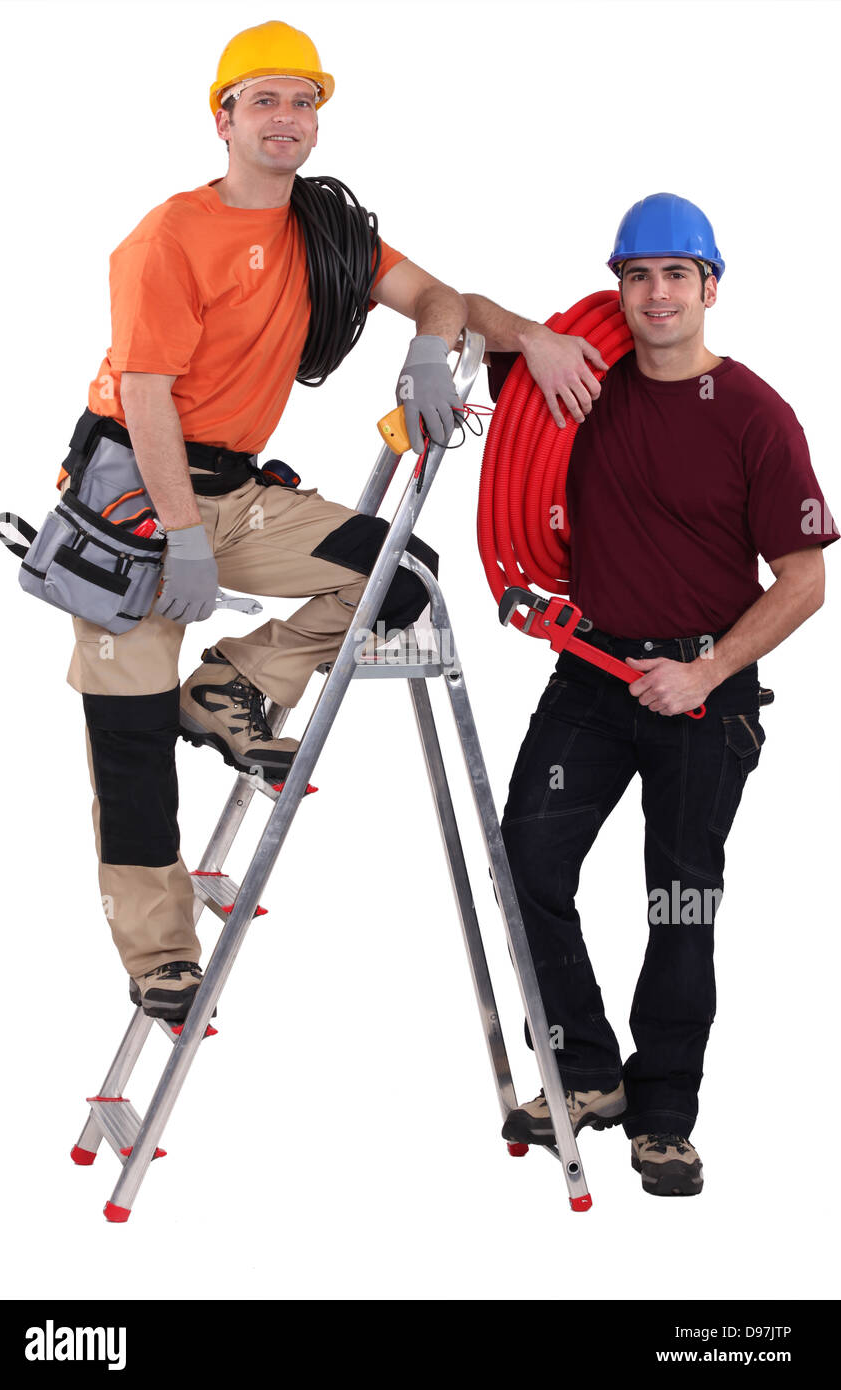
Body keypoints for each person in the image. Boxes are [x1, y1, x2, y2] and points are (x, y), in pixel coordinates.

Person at [59, 20, 600, 1025]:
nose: (287, 117)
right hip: (135, 497)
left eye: (302, 100)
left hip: (241, 492)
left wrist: (450, 349)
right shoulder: (168, 236)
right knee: (129, 751)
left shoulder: (324, 231)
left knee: (399, 574)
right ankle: (160, 955)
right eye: (264, 99)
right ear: (222, 119)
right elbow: (143, 396)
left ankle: (228, 690)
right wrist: (179, 533)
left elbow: (440, 295)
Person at [485, 193, 837, 1195]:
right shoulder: (575, 389)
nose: (653, 293)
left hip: (700, 691)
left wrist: (706, 670)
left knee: (678, 904)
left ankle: (666, 1117)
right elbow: (459, 308)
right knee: (525, 862)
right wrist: (517, 341)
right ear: (618, 287)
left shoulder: (757, 416)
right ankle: (586, 1073)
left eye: (673, 274)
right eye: (634, 275)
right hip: (589, 673)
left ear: (708, 287)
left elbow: (805, 580)